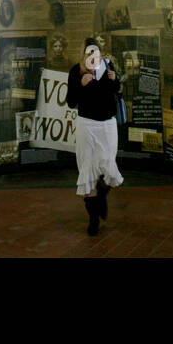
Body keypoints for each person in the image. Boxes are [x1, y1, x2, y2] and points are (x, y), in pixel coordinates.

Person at [66, 38, 123, 235]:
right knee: (88, 169)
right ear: (83, 54)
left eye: (96, 52)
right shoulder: (76, 71)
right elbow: (70, 102)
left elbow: (116, 91)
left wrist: (115, 81)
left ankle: (101, 196)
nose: (93, 55)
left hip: (107, 125)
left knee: (108, 166)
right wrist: (80, 84)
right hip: (86, 126)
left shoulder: (108, 66)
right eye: (89, 52)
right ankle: (93, 220)